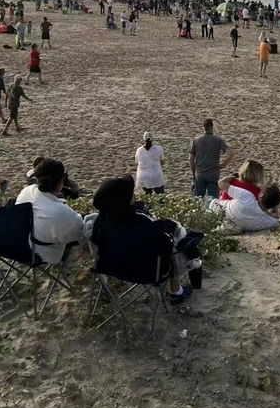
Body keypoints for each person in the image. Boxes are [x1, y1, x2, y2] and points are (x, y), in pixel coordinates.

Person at [87, 175, 199, 304]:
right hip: (147, 273)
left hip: (111, 268)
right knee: (177, 248)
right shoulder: (142, 222)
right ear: (125, 200)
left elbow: (94, 242)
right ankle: (177, 292)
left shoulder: (99, 223)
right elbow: (166, 243)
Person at [15, 159, 85, 264]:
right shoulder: (61, 212)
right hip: (43, 254)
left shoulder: (26, 191)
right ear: (61, 182)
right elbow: (78, 234)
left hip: (18, 248)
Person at [209, 176, 280, 232]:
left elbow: (221, 183)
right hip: (221, 226)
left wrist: (234, 178)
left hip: (211, 208)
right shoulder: (265, 221)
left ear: (261, 195)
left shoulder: (247, 197)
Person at [189, 118, 234, 197]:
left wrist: (193, 174)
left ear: (203, 128)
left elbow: (190, 160)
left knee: (199, 200)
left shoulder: (195, 140)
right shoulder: (218, 140)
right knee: (213, 200)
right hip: (213, 173)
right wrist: (223, 165)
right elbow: (230, 153)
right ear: (212, 127)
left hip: (200, 174)